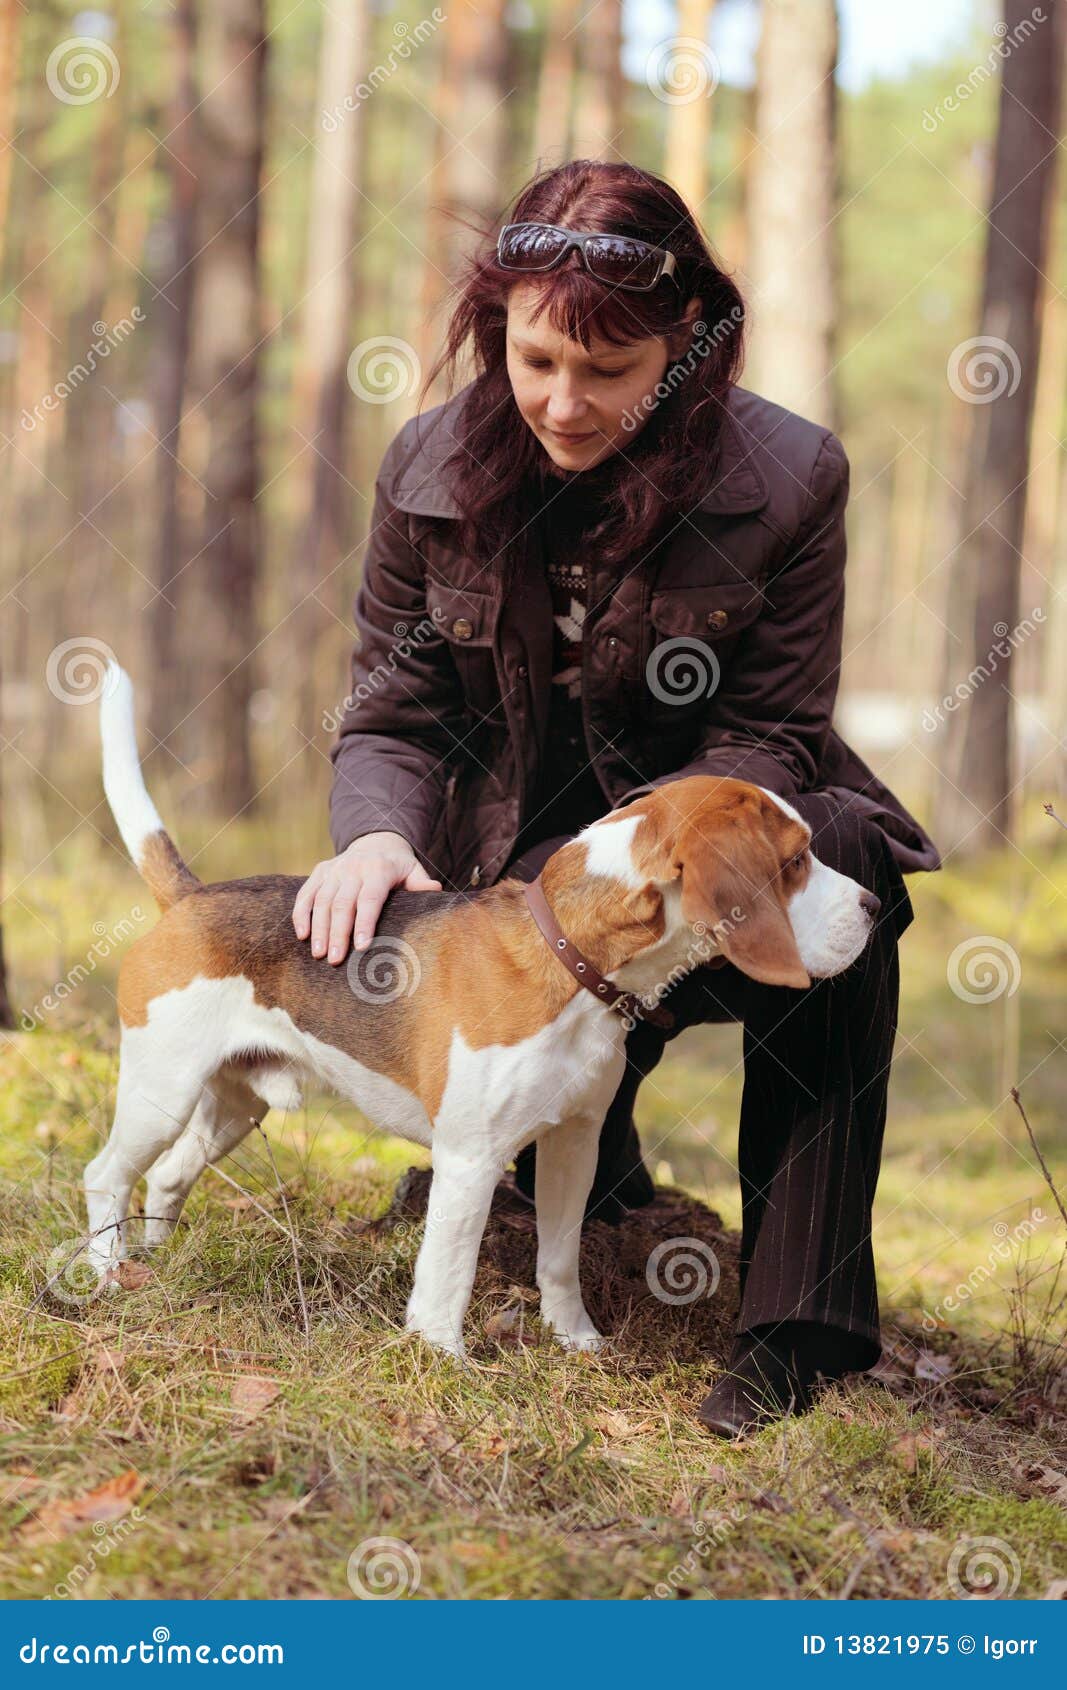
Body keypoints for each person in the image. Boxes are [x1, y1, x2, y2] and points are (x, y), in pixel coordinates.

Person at [291, 160, 942, 1438]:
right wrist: (373, 832)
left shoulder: (791, 477)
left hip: (697, 834)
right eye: (535, 360)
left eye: (610, 369)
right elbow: (391, 716)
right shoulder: (427, 465)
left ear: (687, 348)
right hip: (499, 871)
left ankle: (792, 1323)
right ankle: (562, 1169)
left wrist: (641, 857)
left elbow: (768, 731)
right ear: (498, 331)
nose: (564, 402)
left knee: (851, 873)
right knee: (510, 919)